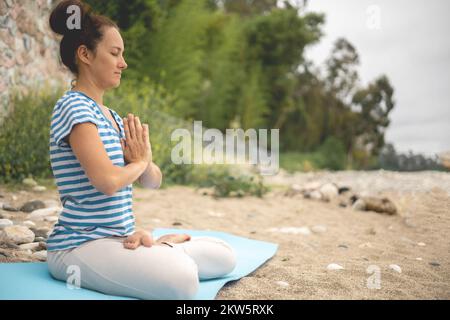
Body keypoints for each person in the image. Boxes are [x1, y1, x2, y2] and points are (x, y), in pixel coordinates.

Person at [46, 0, 236, 300]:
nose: (123, 63)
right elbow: (107, 181)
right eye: (114, 53)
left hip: (120, 240)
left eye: (123, 54)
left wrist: (143, 164)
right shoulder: (74, 107)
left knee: (224, 256)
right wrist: (140, 161)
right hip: (79, 246)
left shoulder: (112, 117)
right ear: (85, 54)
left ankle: (164, 248)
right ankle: (163, 252)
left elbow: (152, 181)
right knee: (183, 281)